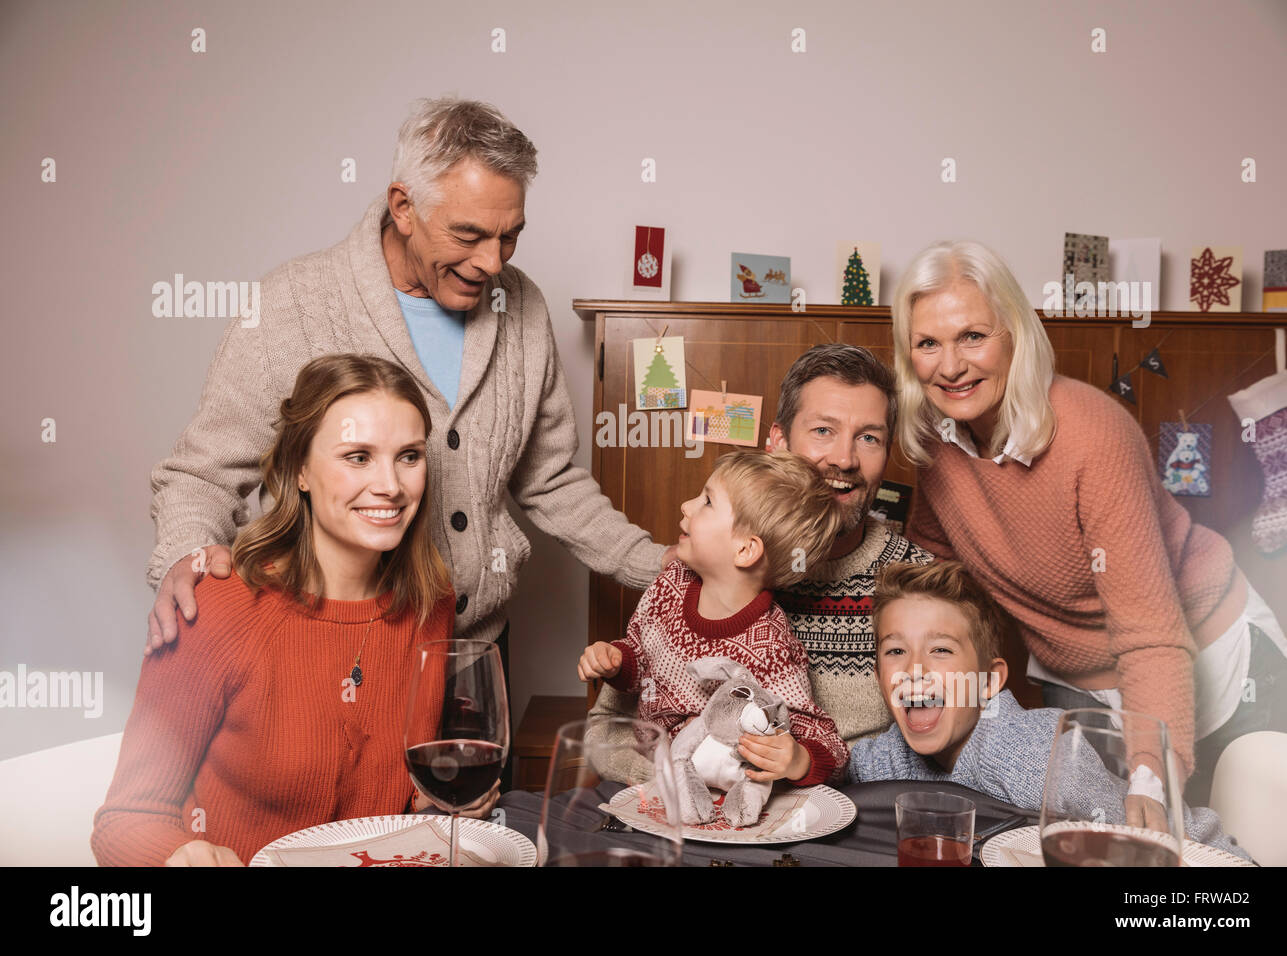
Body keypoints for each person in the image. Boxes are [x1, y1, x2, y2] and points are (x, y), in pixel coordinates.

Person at [141, 99, 674, 764]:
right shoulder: (293, 302)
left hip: (476, 653)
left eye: (510, 236)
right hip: (330, 649)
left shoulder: (522, 305)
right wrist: (186, 557)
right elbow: (202, 473)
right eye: (469, 235)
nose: (491, 261)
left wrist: (663, 567)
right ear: (403, 207)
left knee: (470, 848)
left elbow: (552, 479)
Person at [891, 239, 1287, 804]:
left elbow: (1149, 630)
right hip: (1073, 680)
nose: (951, 365)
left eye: (973, 337)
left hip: (1207, 661)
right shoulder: (936, 447)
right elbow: (936, 578)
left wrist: (1151, 777)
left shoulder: (1093, 434)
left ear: (1016, 334)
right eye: (928, 343)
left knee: (1230, 848)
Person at [94, 355, 496, 866]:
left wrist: (439, 805)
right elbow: (125, 821)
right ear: (300, 469)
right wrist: (181, 855)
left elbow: (393, 797)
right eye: (357, 456)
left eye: (409, 456)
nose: (390, 485)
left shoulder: (429, 602)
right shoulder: (216, 608)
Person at [586, 344, 934, 749]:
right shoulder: (704, 567)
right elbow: (609, 726)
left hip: (851, 805)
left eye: (869, 437)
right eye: (823, 430)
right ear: (778, 442)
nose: (844, 459)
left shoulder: (919, 582)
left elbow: (958, 733)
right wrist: (675, 793)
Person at [847, 561, 1253, 861]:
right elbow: (843, 767)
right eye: (895, 650)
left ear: (988, 682)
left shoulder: (1025, 754)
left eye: (940, 650)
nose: (914, 670)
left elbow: (1167, 838)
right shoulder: (894, 750)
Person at [578, 451, 849, 786]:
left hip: (717, 795)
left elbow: (830, 745)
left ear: (745, 550)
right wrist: (617, 660)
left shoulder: (771, 647)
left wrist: (798, 760)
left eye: (707, 501)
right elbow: (641, 665)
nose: (686, 506)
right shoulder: (671, 584)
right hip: (650, 780)